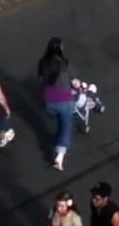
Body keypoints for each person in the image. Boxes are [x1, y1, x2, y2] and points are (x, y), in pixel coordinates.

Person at [37, 37, 76, 170]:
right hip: (64, 101)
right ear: (60, 49)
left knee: (60, 120)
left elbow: (41, 79)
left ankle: (57, 137)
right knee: (66, 127)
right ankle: (59, 157)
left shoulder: (42, 63)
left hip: (50, 101)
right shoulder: (65, 63)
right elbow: (74, 82)